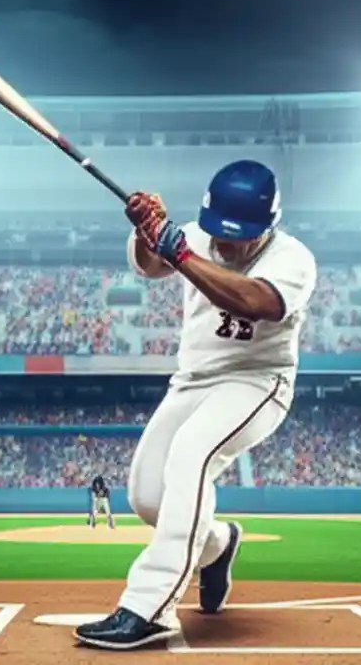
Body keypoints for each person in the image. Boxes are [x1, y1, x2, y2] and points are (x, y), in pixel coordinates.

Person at [74, 160, 317, 651]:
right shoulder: (196, 237)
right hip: (191, 381)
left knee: (192, 453)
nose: (224, 244)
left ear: (267, 226)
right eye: (218, 233)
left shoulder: (293, 259)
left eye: (238, 237)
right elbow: (149, 265)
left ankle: (148, 606)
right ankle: (218, 544)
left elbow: (254, 301)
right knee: (148, 496)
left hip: (256, 382)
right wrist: (148, 233)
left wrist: (181, 253)